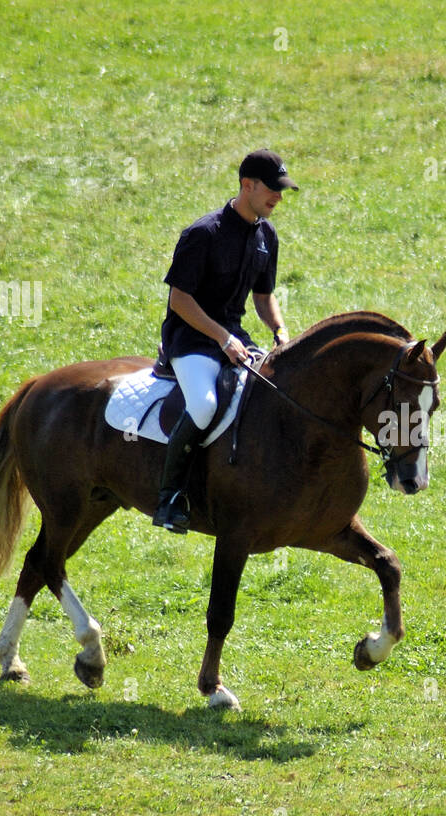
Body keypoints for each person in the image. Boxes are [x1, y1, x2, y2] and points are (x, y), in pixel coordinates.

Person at [153, 149, 298, 533]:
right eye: (272, 189)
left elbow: (264, 297)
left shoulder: (267, 236)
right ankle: (169, 497)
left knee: (273, 394)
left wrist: (281, 333)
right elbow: (179, 300)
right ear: (246, 185)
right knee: (204, 405)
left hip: (237, 337)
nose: (279, 198)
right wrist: (223, 338)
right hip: (192, 339)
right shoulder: (204, 234)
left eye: (282, 191)